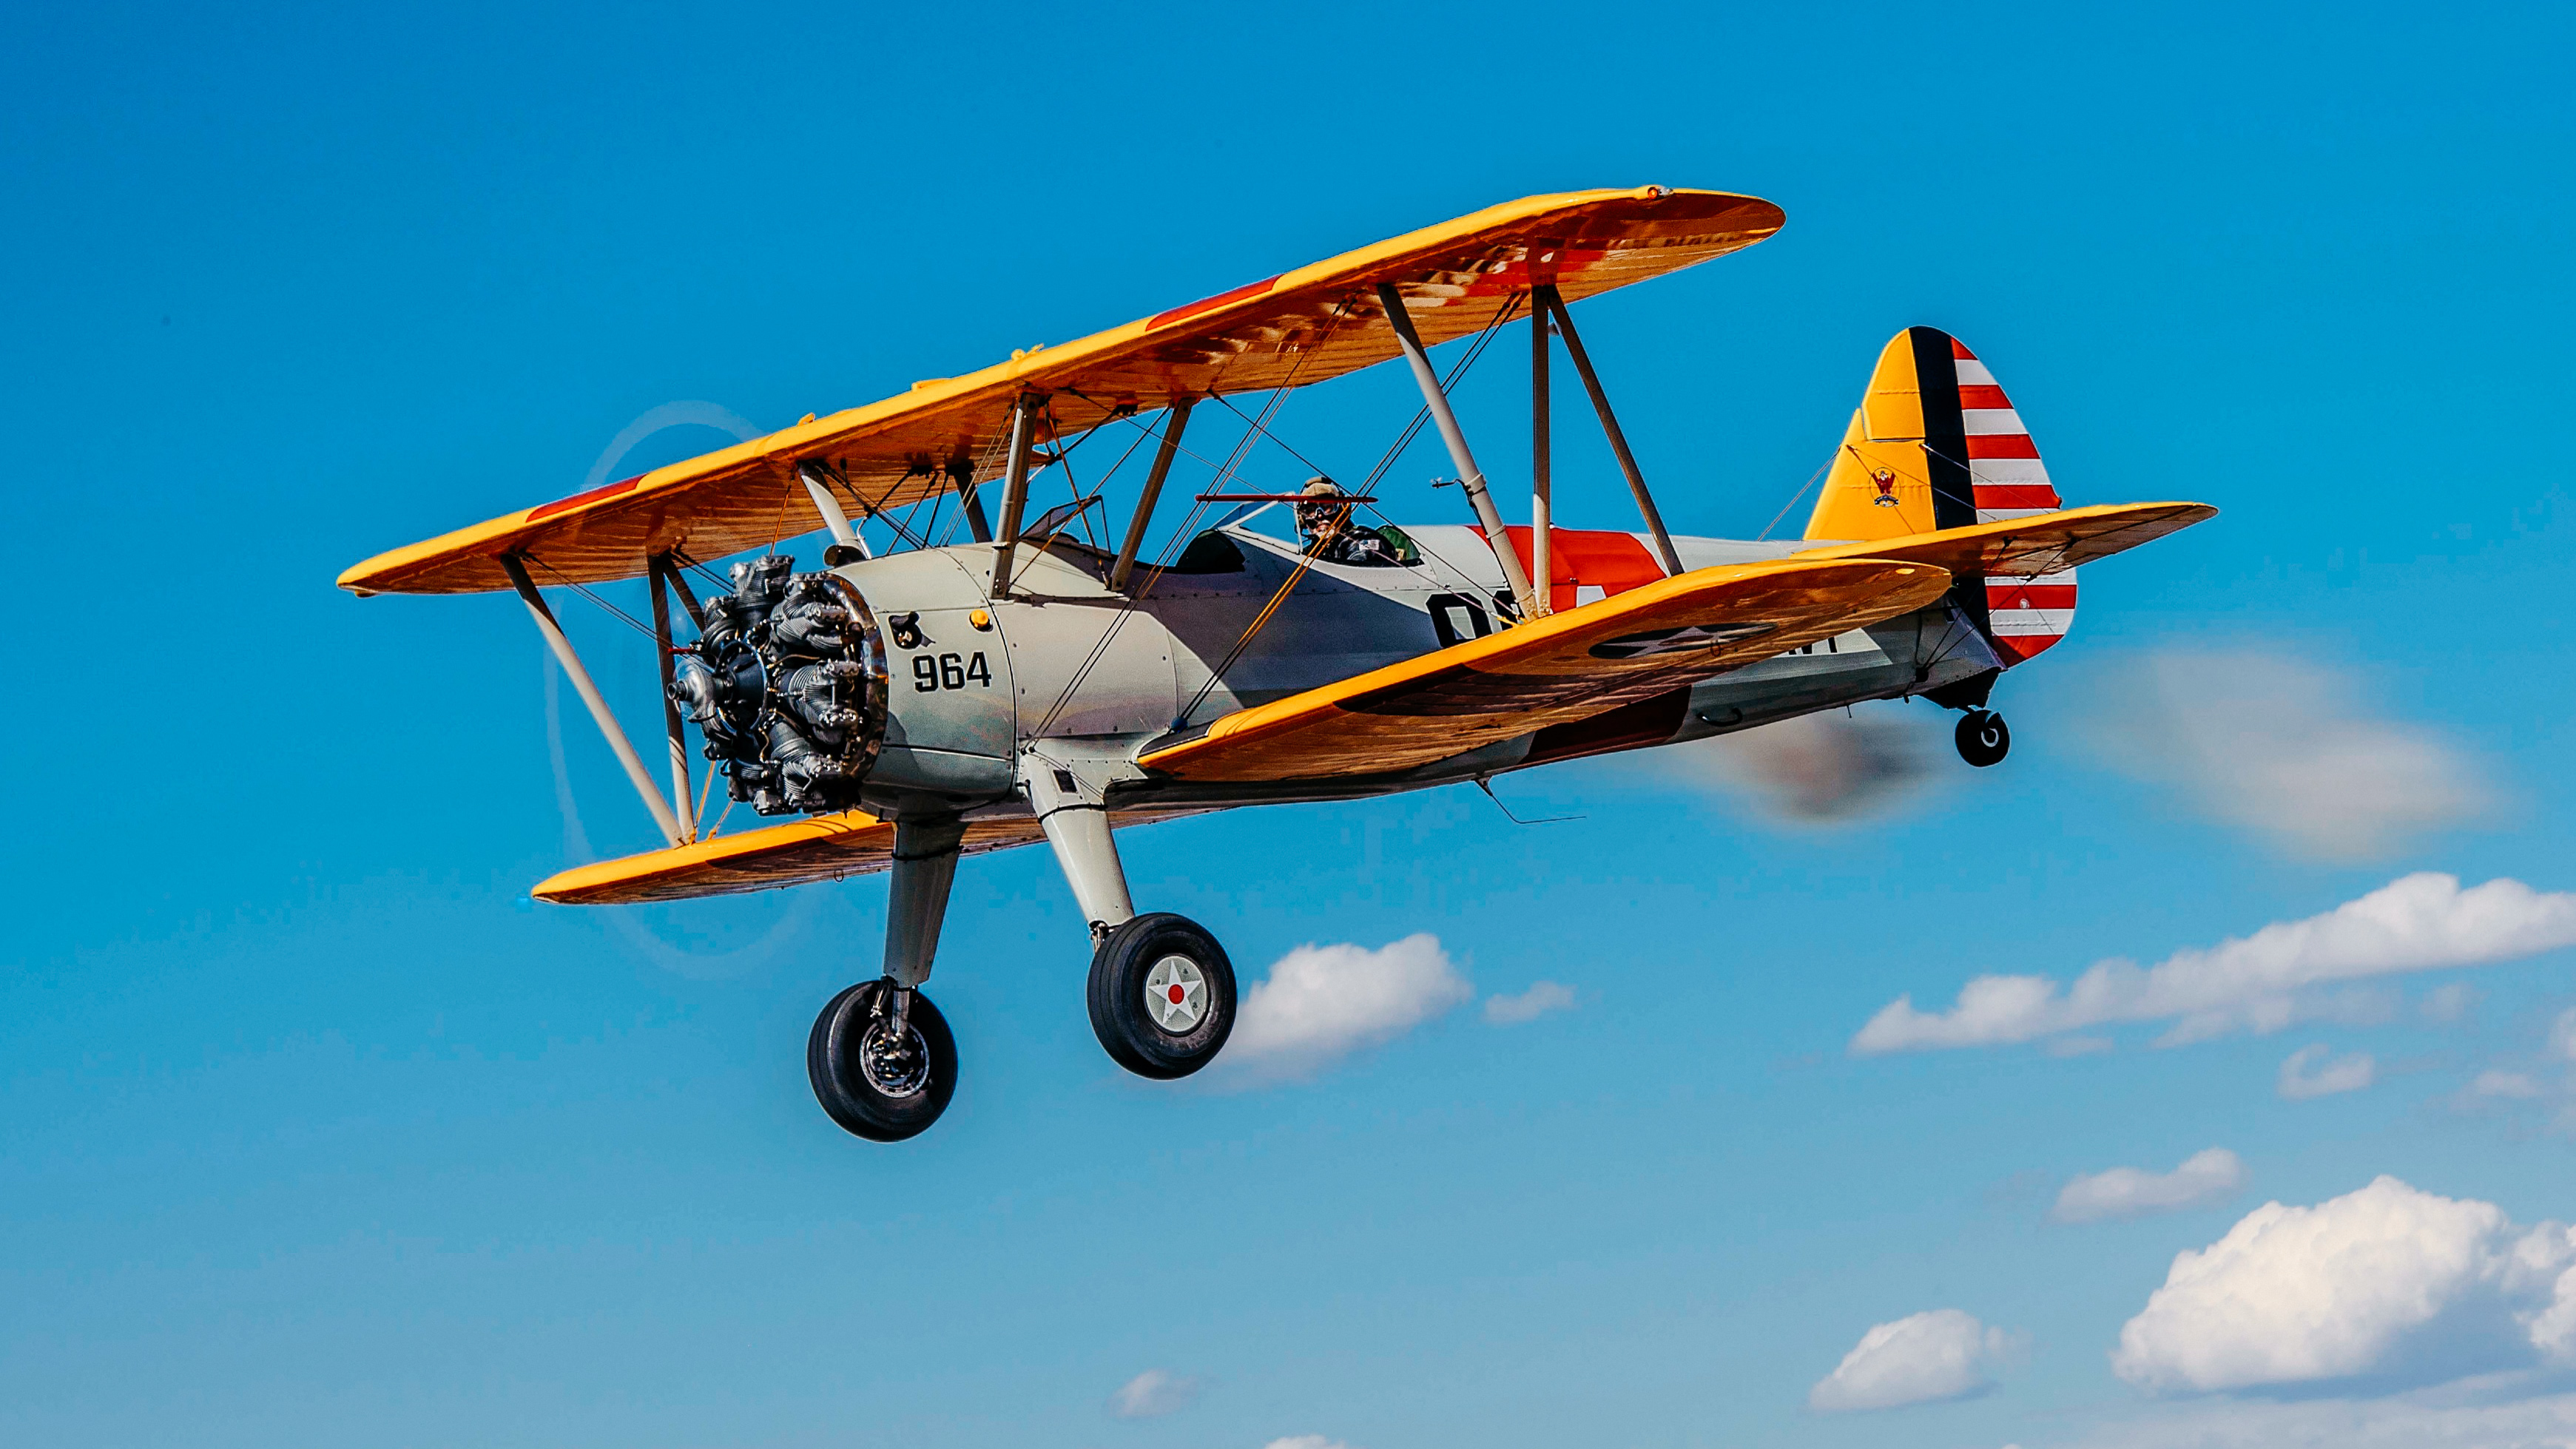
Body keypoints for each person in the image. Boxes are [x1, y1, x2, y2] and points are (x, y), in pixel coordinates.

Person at [1293, 476, 1417, 567]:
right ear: (1302, 520)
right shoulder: (1307, 555)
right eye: (1310, 511)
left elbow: (1361, 564)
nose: (1319, 516)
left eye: (1327, 506)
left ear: (1343, 509)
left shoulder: (1361, 539)